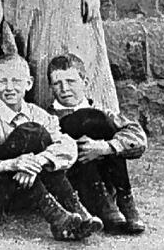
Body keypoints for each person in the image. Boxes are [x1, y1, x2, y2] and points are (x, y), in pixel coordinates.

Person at [0, 54, 100, 241]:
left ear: (28, 83)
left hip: (26, 193)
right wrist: (13, 164)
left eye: (16, 81)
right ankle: (60, 215)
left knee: (41, 136)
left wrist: (37, 161)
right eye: (3, 81)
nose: (10, 88)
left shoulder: (38, 113)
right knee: (32, 131)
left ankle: (69, 212)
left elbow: (68, 146)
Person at [48, 53, 147, 234]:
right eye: (57, 83)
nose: (64, 89)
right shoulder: (49, 118)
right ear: (51, 87)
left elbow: (139, 138)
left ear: (84, 83)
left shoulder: (103, 113)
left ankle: (125, 201)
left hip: (108, 178)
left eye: (71, 81)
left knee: (99, 122)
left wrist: (105, 147)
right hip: (77, 184)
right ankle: (104, 206)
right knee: (76, 121)